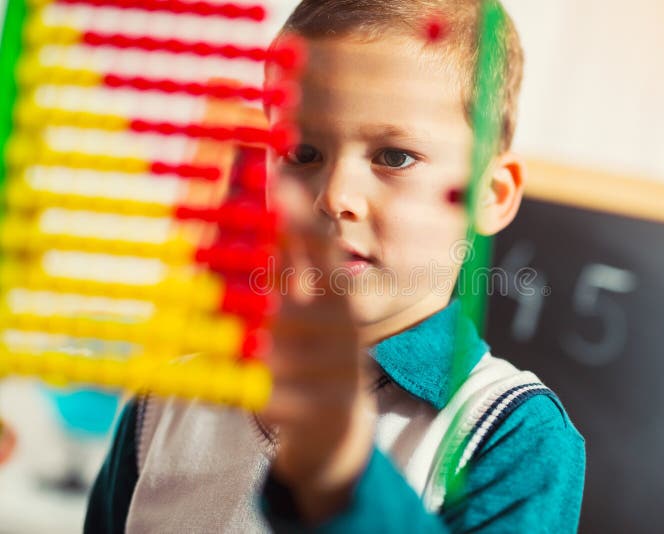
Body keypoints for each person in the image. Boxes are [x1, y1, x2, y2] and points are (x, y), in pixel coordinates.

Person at [85, 1, 585, 532]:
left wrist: (341, 474)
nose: (335, 196)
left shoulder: (512, 432)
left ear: (490, 194)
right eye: (301, 153)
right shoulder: (164, 401)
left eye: (394, 156)